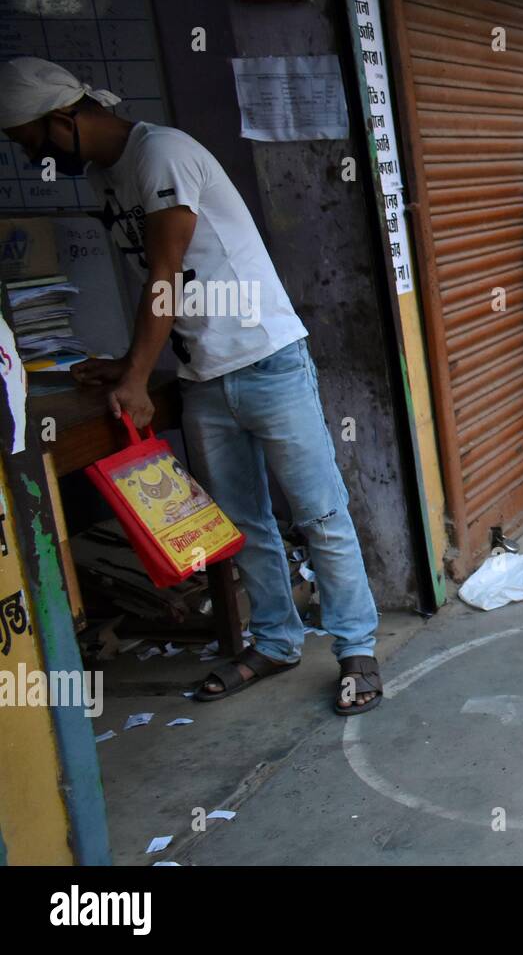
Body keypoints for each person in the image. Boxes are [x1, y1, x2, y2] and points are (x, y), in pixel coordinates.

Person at [0, 57, 385, 714]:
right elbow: (165, 286)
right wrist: (131, 364)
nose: (31, 153)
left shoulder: (162, 154)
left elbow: (168, 269)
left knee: (320, 511)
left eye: (31, 139)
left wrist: (139, 376)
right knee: (244, 522)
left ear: (63, 119)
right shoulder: (112, 176)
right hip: (205, 376)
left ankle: (357, 650)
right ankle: (274, 640)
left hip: (267, 359)